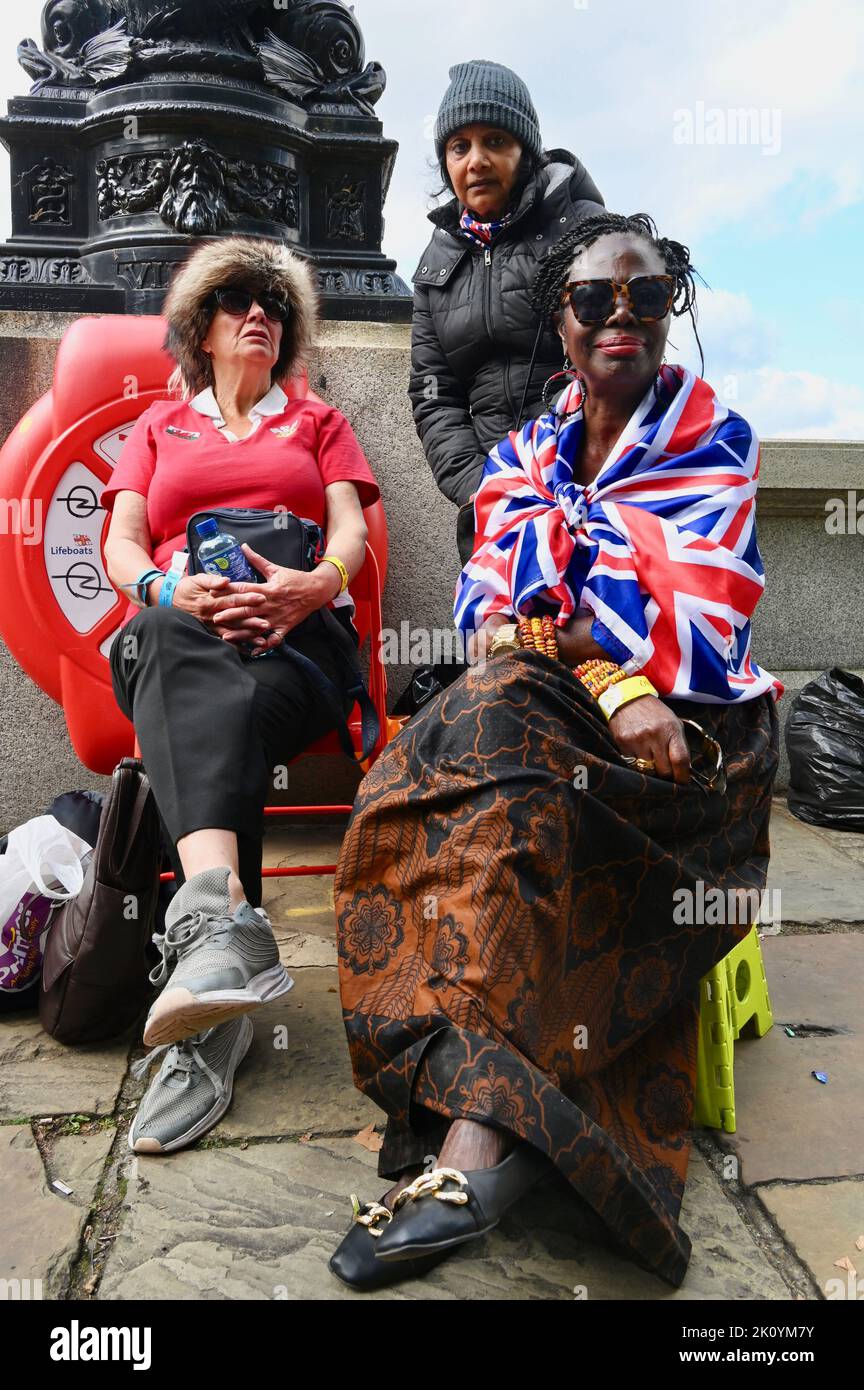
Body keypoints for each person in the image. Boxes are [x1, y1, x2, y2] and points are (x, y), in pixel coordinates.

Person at [329, 212, 781, 1293]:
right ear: (562, 324)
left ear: (672, 312)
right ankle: (477, 1080)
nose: (620, 314)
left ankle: (477, 1139)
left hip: (692, 745)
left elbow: (702, 624)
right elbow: (494, 607)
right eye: (593, 299)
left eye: (646, 296)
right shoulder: (527, 455)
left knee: (512, 758)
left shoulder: (716, 440)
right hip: (573, 702)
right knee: (414, 777)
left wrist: (583, 645)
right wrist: (600, 663)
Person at [102, 236, 379, 1155]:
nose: (258, 313)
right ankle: (222, 949)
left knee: (204, 699)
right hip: (182, 634)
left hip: (294, 651)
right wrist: (165, 589)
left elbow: (351, 535)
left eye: (274, 303)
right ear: (202, 329)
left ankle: (211, 972)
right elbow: (125, 548)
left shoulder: (317, 423)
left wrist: (310, 588)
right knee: (174, 638)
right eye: (237, 301)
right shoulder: (158, 429)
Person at [409, 59, 604, 564]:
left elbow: (623, 357)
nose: (475, 160)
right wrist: (481, 487)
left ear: (526, 152)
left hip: (588, 487)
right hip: (491, 505)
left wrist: (570, 467)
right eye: (459, 146)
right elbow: (434, 392)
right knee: (501, 642)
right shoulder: (435, 265)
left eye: (495, 141)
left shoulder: (587, 232)